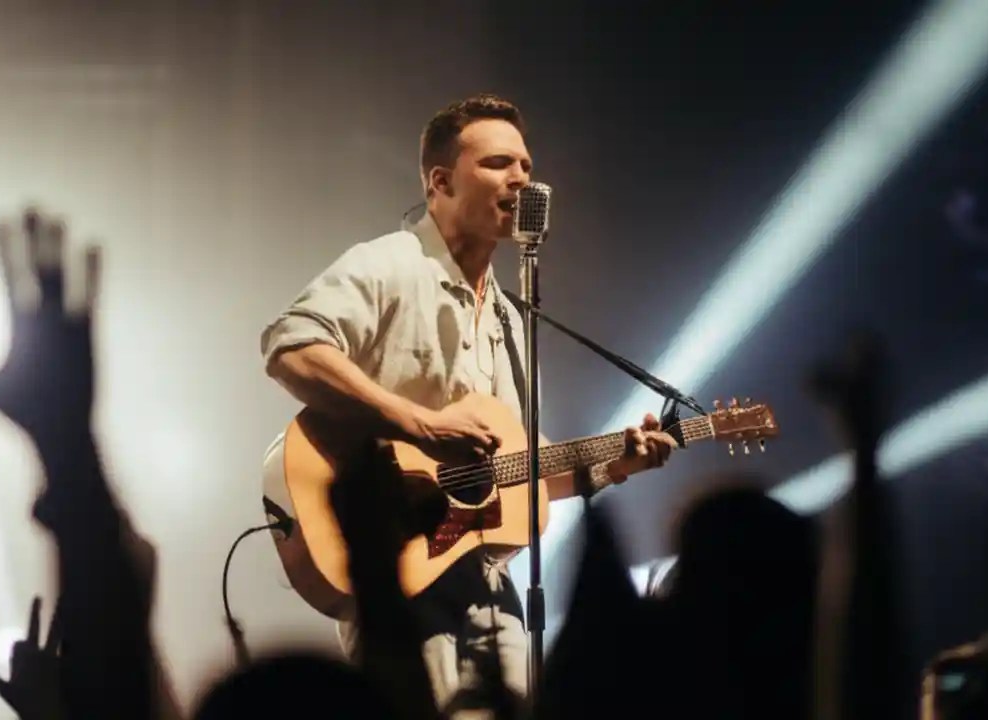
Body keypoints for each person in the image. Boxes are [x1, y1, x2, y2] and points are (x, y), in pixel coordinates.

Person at [258, 93, 677, 708]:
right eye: (498, 163)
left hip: (493, 588)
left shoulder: (512, 317)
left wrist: (612, 466)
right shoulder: (388, 266)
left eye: (526, 166)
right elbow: (290, 348)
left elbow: (512, 472)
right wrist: (420, 425)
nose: (521, 178)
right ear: (440, 182)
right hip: (401, 579)